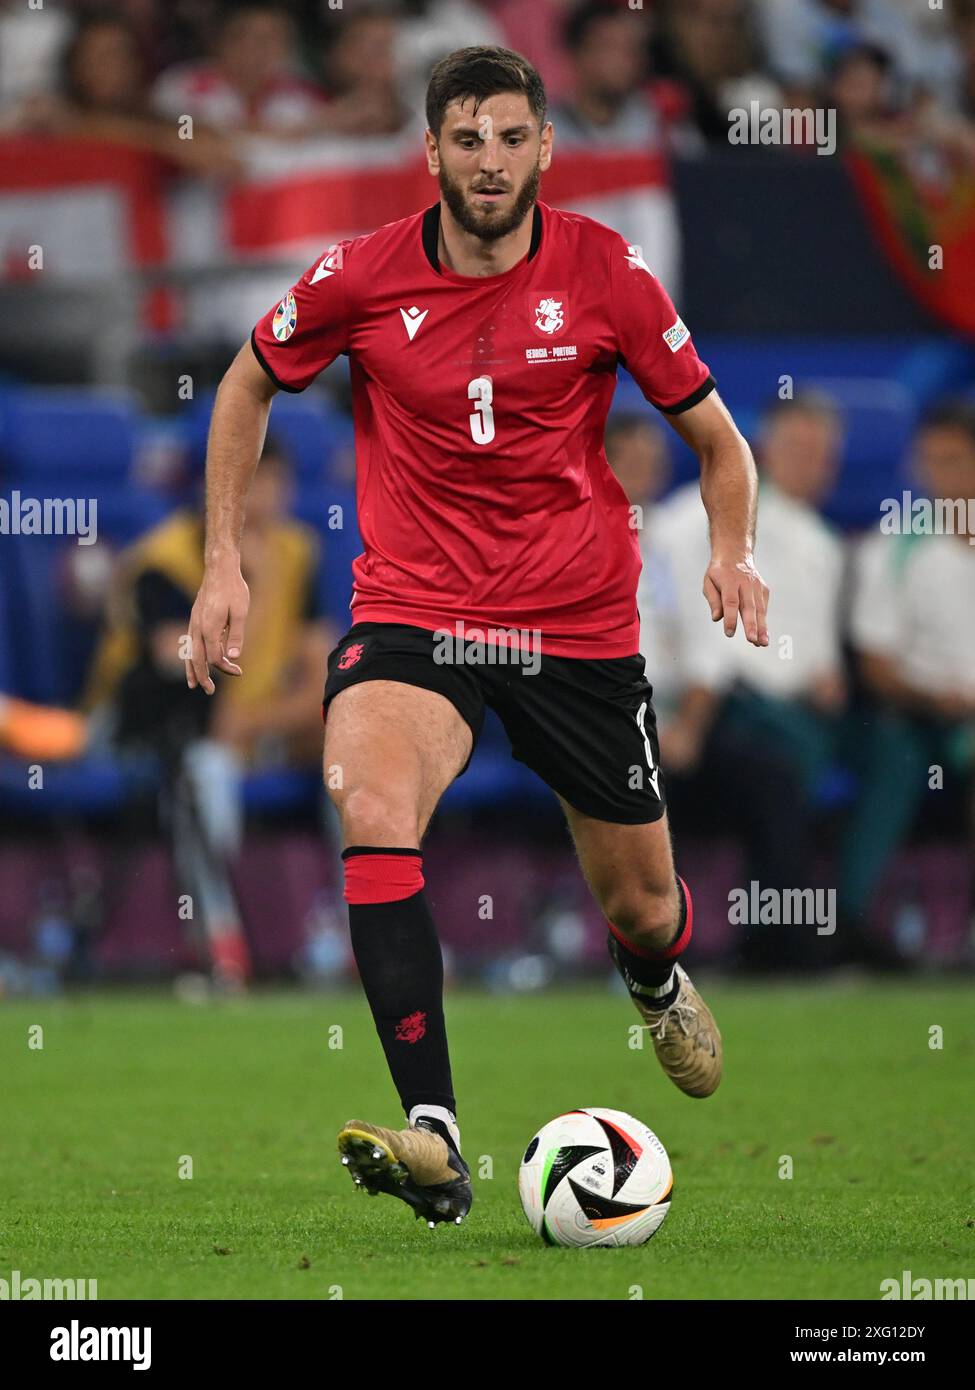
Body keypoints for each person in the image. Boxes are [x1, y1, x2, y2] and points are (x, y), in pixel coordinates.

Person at [185, 46, 768, 1228]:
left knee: (645, 901)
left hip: (578, 621)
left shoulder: (611, 274)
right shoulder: (359, 274)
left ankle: (653, 977)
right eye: (467, 138)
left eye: (511, 138)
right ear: (433, 151)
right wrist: (220, 561)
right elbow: (245, 381)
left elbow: (720, 443)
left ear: (545, 148)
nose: (489, 160)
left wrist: (731, 550)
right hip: (415, 608)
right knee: (373, 803)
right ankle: (436, 1136)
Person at [86, 437, 331, 990]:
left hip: (247, 722)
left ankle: (361, 932)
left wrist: (275, 722)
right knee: (207, 776)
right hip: (150, 724)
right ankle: (221, 946)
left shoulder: (298, 551)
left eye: (271, 484)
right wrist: (256, 585)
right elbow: (188, 662)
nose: (262, 502)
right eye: (247, 484)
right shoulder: (164, 560)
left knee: (351, 757)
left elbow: (322, 669)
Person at [844, 399, 975, 934]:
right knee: (893, 759)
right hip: (919, 716)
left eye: (954, 459)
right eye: (931, 460)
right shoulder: (894, 547)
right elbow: (876, 663)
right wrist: (934, 698)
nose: (940, 475)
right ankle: (851, 922)